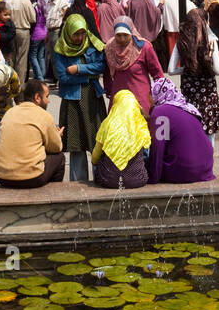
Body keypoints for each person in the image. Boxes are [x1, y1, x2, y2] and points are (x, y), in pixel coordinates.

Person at [53, 14, 106, 183]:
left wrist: (78, 69)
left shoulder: (92, 44)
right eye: (75, 34)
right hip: (72, 101)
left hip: (92, 99)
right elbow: (63, 77)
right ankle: (78, 185)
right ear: (68, 32)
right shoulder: (60, 49)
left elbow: (101, 66)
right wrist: (88, 76)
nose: (79, 38)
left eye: (82, 33)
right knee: (76, 144)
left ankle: (101, 179)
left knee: (97, 141)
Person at [0, 78, 65, 188]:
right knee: (59, 158)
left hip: (0, 176)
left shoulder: (9, 112)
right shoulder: (44, 115)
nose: (49, 101)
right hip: (31, 177)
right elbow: (56, 148)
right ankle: (53, 194)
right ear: (37, 98)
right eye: (47, 97)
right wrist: (57, 137)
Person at [170, 5, 219, 144]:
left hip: (189, 98)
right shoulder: (211, 42)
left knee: (190, 132)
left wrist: (187, 69)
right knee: (209, 133)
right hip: (208, 97)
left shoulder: (181, 43)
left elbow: (171, 70)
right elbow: (218, 70)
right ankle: (207, 162)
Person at [147, 76, 215, 184]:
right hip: (205, 169)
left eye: (150, 93)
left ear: (157, 93)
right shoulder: (188, 108)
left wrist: (152, 177)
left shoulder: (160, 113)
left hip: (185, 171)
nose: (148, 97)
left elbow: (157, 148)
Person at [91, 89, 150, 189]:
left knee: (98, 161)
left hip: (108, 181)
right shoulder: (140, 124)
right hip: (137, 180)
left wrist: (94, 162)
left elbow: (96, 156)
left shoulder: (107, 124)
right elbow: (146, 154)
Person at [103, 20, 163, 117]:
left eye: (125, 35)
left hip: (141, 99)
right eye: (118, 35)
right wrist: (108, 89)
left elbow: (157, 73)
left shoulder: (143, 48)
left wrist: (159, 95)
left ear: (131, 32)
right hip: (119, 100)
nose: (122, 39)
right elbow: (106, 72)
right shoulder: (109, 48)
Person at [5, 0, 36, 85]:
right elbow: (32, 18)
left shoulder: (8, 0)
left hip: (10, 31)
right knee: (21, 60)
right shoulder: (25, 1)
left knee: (11, 59)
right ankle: (19, 87)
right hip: (23, 31)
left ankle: (11, 85)